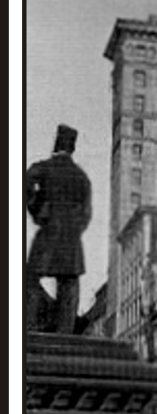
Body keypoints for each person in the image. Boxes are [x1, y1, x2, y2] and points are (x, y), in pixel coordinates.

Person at [26, 125, 92, 334]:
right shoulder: (81, 176)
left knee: (30, 278)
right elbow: (86, 213)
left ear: (56, 143)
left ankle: (30, 325)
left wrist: (37, 210)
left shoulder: (43, 168)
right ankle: (65, 332)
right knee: (69, 284)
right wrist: (75, 229)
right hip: (71, 240)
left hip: (48, 232)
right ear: (72, 148)